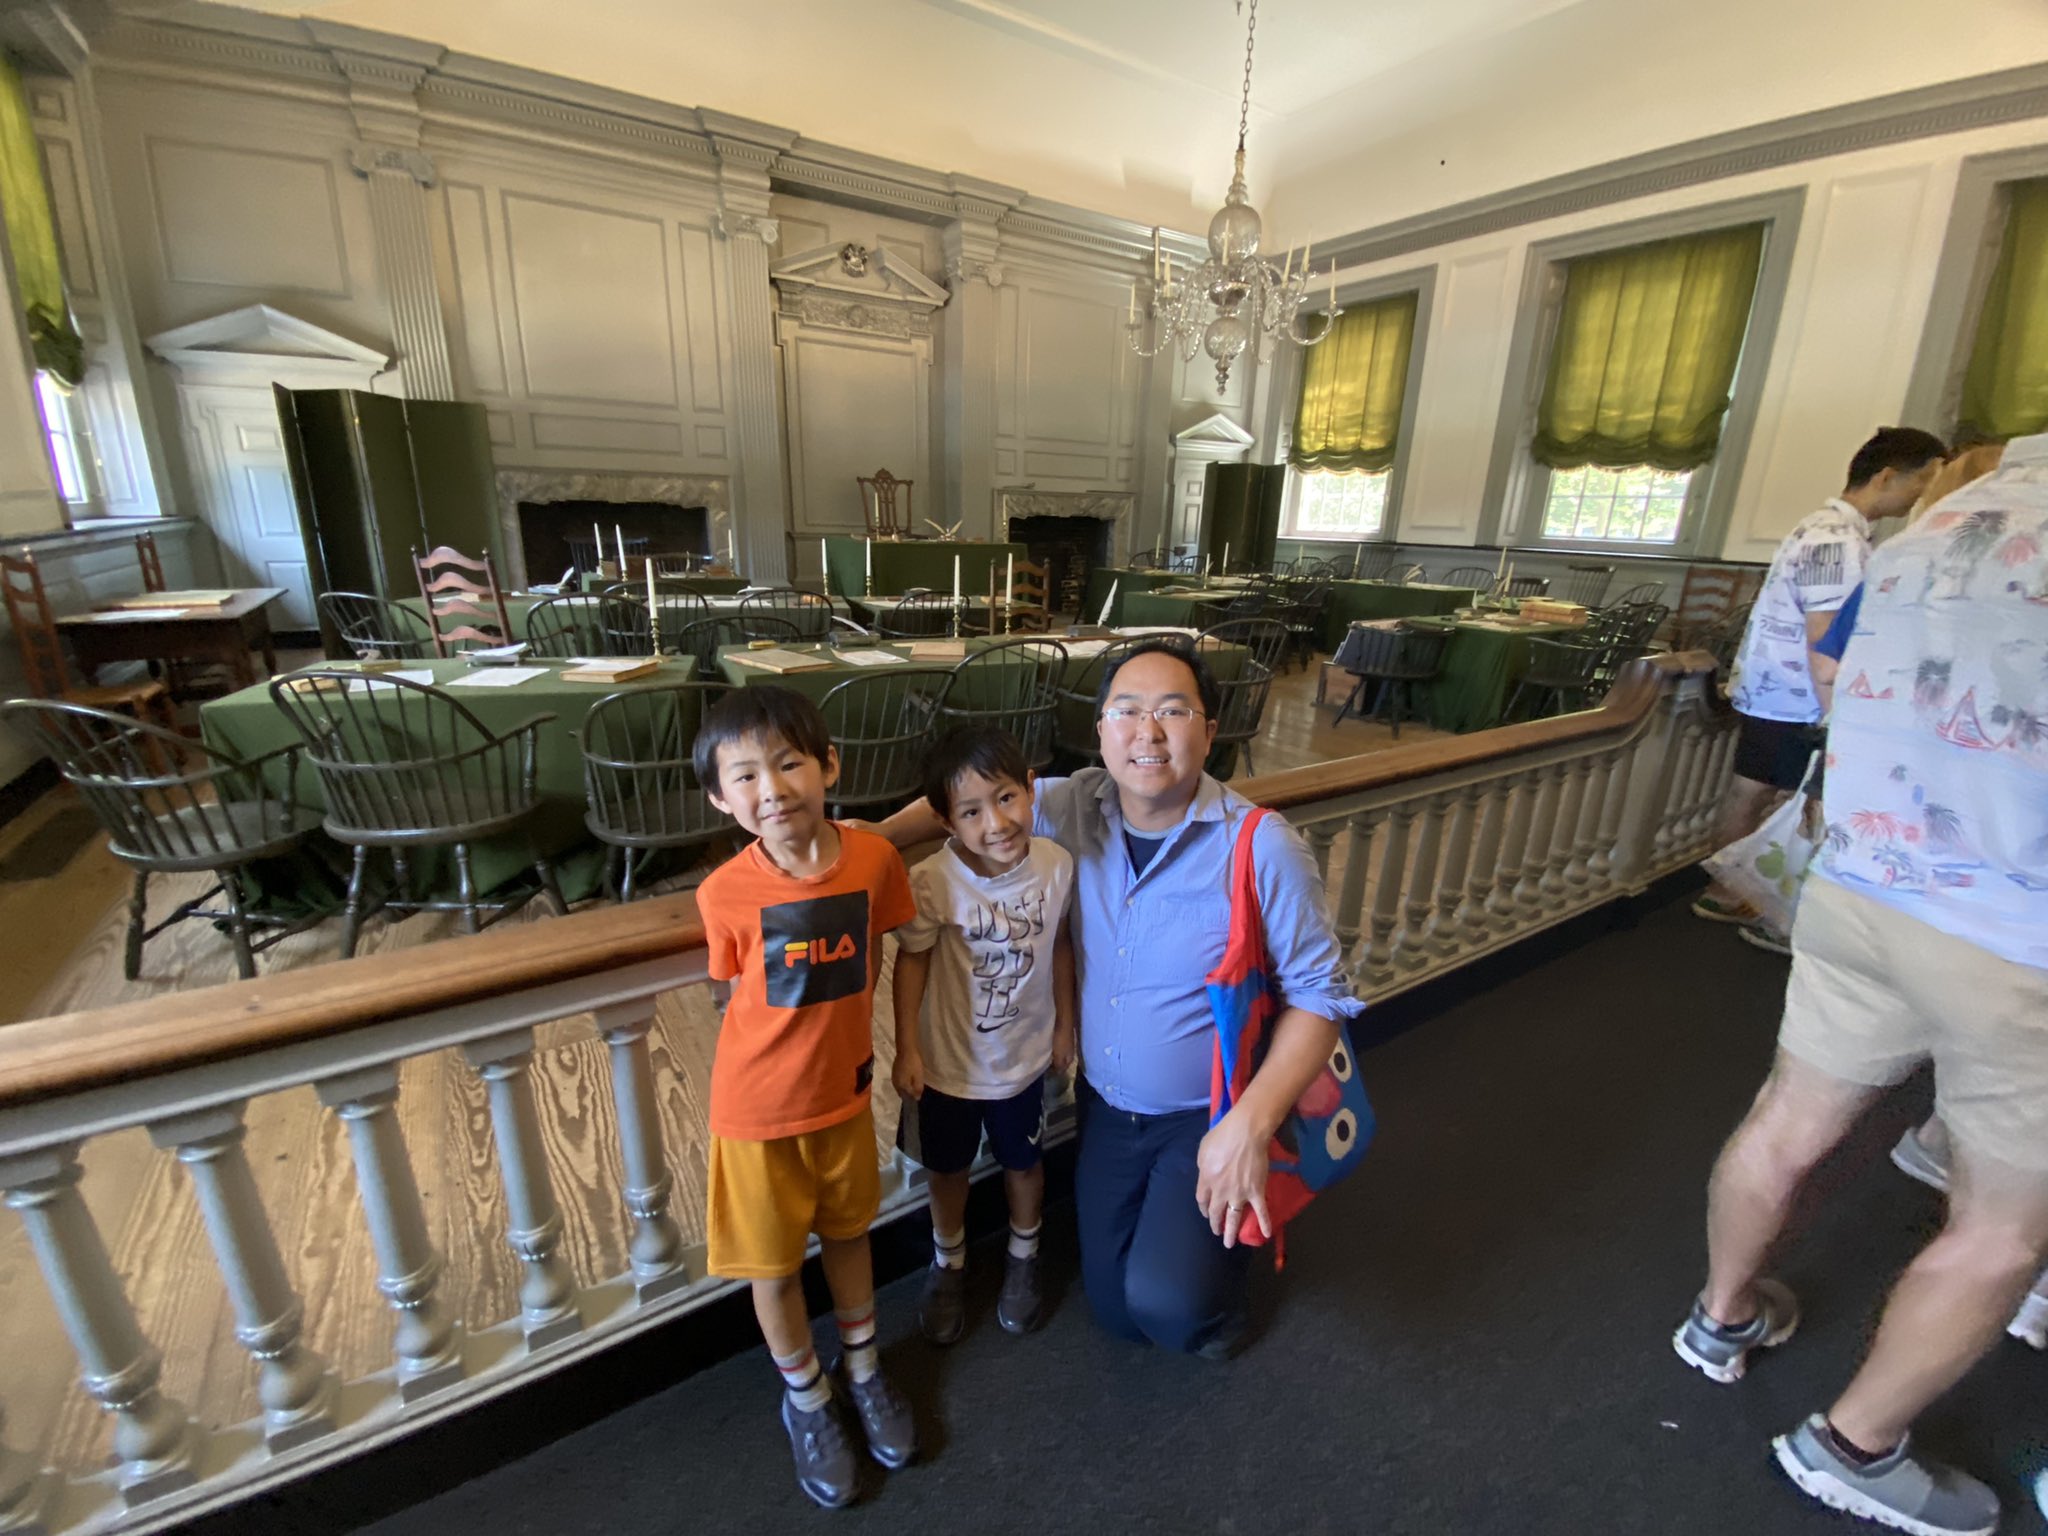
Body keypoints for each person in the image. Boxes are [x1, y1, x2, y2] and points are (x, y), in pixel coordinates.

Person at [1670, 432, 2048, 1536]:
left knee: (1784, 1120)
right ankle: (1854, 1443)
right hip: (2013, 931)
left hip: (1862, 883)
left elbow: (1831, 671)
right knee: (2000, 1231)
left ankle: (1719, 1316)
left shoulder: (1944, 517)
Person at [873, 639, 1362, 1357]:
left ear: (1209, 730)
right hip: (1106, 1109)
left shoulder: (1260, 846)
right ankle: (1176, 1243)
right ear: (1100, 730)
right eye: (1126, 711)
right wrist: (870, 846)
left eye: (1173, 710)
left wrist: (1250, 1125)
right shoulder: (1070, 803)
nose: (1148, 731)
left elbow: (1321, 997)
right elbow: (965, 790)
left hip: (1204, 1114)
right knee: (1112, 1307)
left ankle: (1219, 1272)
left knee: (1168, 1307)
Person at [692, 686, 920, 1511]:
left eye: (789, 763)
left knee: (852, 1232)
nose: (772, 789)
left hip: (847, 1098)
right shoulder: (723, 894)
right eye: (745, 775)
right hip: (754, 1115)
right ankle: (808, 1398)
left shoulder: (873, 861)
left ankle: (863, 1369)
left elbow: (895, 945)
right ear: (722, 797)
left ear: (829, 766)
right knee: (774, 1264)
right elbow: (730, 992)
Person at [1696, 426, 1948, 953]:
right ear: (1886, 476)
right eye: (1921, 482)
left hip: (1778, 691)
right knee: (1785, 802)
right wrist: (1837, 720)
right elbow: (1825, 647)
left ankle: (1733, 890)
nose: (1920, 497)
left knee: (1760, 793)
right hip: (1797, 697)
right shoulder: (1838, 540)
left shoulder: (1826, 527)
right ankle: (1754, 901)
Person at [892, 725, 1076, 1344]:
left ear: (1029, 789)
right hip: (949, 1066)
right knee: (947, 1170)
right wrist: (907, 1046)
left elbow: (1060, 948)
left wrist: (1064, 1028)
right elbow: (911, 959)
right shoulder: (934, 882)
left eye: (1005, 798)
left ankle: (1025, 1254)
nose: (995, 823)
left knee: (1025, 1161)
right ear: (946, 820)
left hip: (1022, 1060)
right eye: (971, 811)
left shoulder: (1056, 866)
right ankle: (949, 1261)